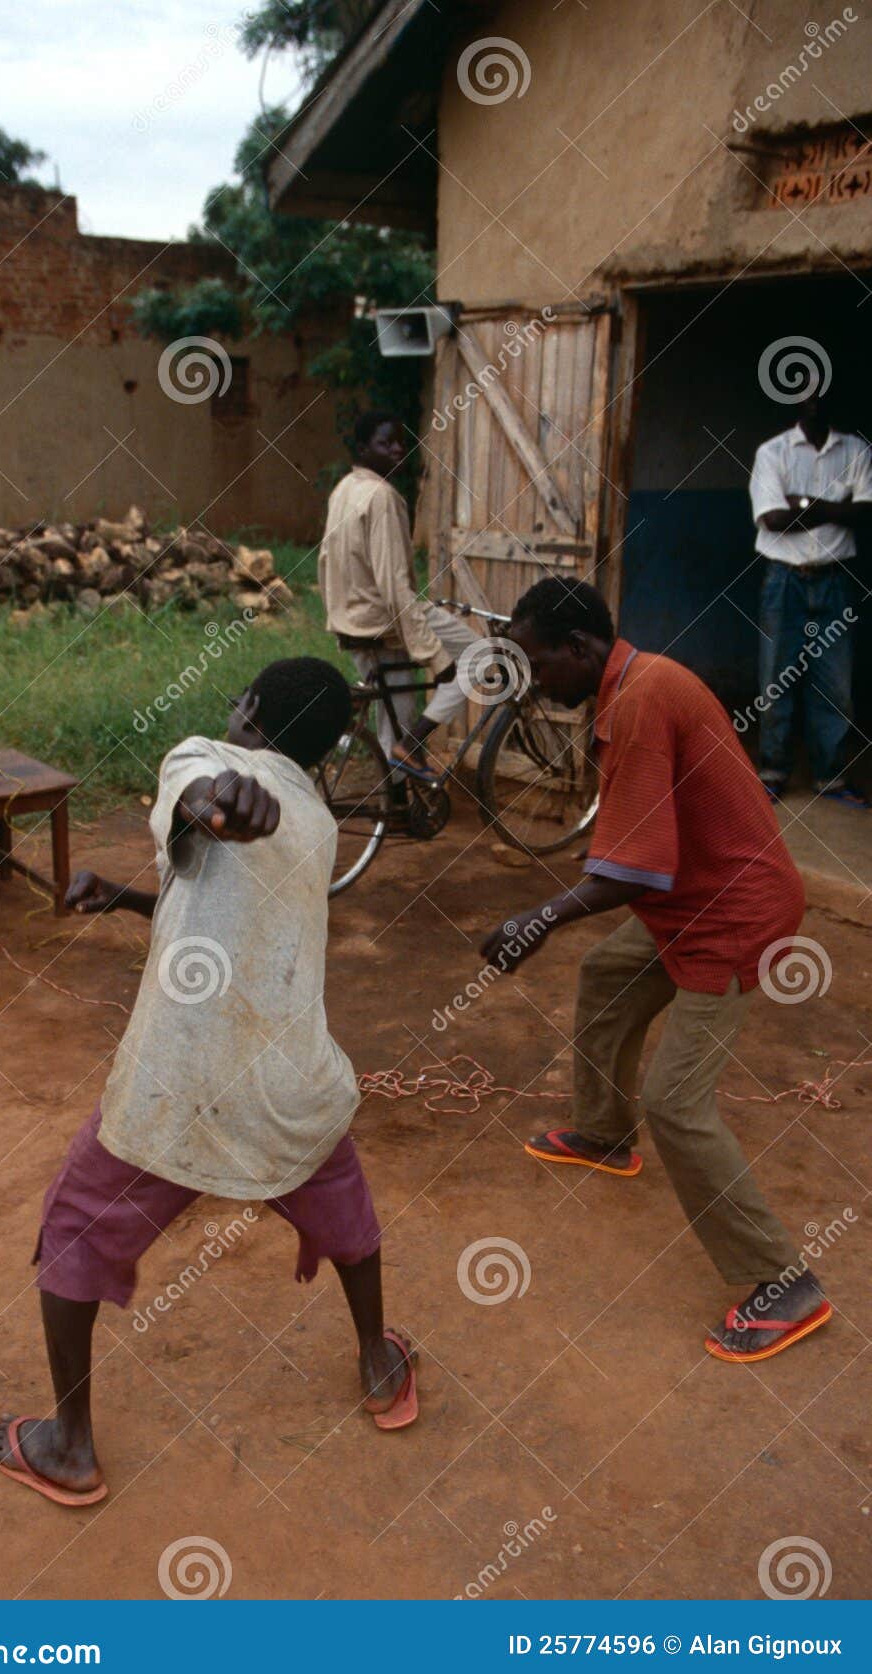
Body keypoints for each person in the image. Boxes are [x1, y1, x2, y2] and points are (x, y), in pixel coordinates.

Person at [0, 657, 417, 1507]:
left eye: (238, 702)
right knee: (345, 1213)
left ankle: (68, 1445)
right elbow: (222, 888)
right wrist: (128, 896)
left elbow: (201, 796)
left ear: (247, 708)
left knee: (74, 1231)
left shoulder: (203, 759)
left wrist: (212, 797)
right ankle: (377, 1361)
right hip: (291, 1084)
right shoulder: (318, 822)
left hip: (176, 1086)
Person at [480, 576, 830, 1365]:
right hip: (699, 901)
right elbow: (645, 848)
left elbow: (635, 874)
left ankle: (784, 1282)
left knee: (676, 1102)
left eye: (539, 666)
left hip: (734, 918)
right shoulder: (633, 684)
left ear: (579, 649)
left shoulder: (638, 700)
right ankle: (604, 1133)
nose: (535, 684)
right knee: (607, 976)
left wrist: (535, 920)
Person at [317, 410, 475, 784]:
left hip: (353, 621)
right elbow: (393, 583)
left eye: (400, 443)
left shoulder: (344, 490)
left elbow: (325, 561)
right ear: (362, 448)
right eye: (385, 443)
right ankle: (415, 743)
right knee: (478, 657)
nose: (397, 450)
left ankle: (400, 801)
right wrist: (433, 654)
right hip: (383, 620)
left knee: (395, 716)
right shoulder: (382, 496)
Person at [749, 392, 872, 806]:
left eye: (826, 391)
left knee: (835, 683)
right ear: (795, 399)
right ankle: (772, 770)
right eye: (809, 393)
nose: (817, 400)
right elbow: (772, 520)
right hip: (784, 580)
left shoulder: (856, 450)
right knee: (776, 678)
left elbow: (865, 514)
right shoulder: (773, 453)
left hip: (835, 579)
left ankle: (831, 777)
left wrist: (804, 504)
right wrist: (834, 508)